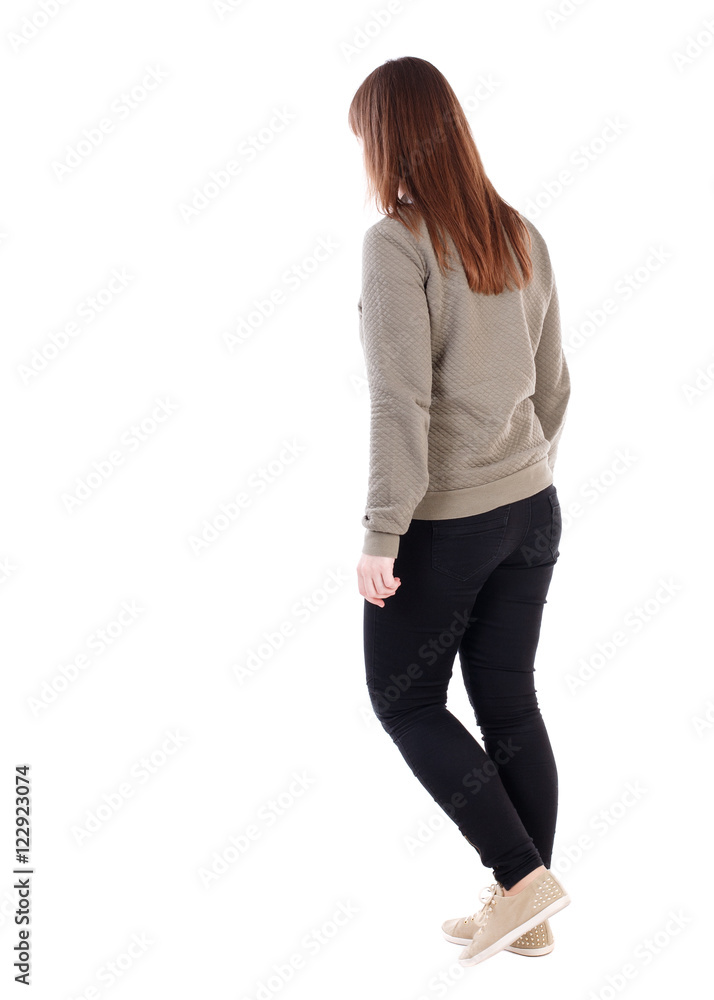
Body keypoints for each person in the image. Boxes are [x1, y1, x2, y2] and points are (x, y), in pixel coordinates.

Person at [349, 56, 572, 967]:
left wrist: (382, 530)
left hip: (447, 523)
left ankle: (520, 880)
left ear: (388, 139)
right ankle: (529, 912)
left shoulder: (395, 242)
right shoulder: (519, 231)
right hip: (534, 506)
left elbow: (399, 400)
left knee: (404, 701)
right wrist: (519, 479)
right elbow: (554, 385)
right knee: (508, 700)